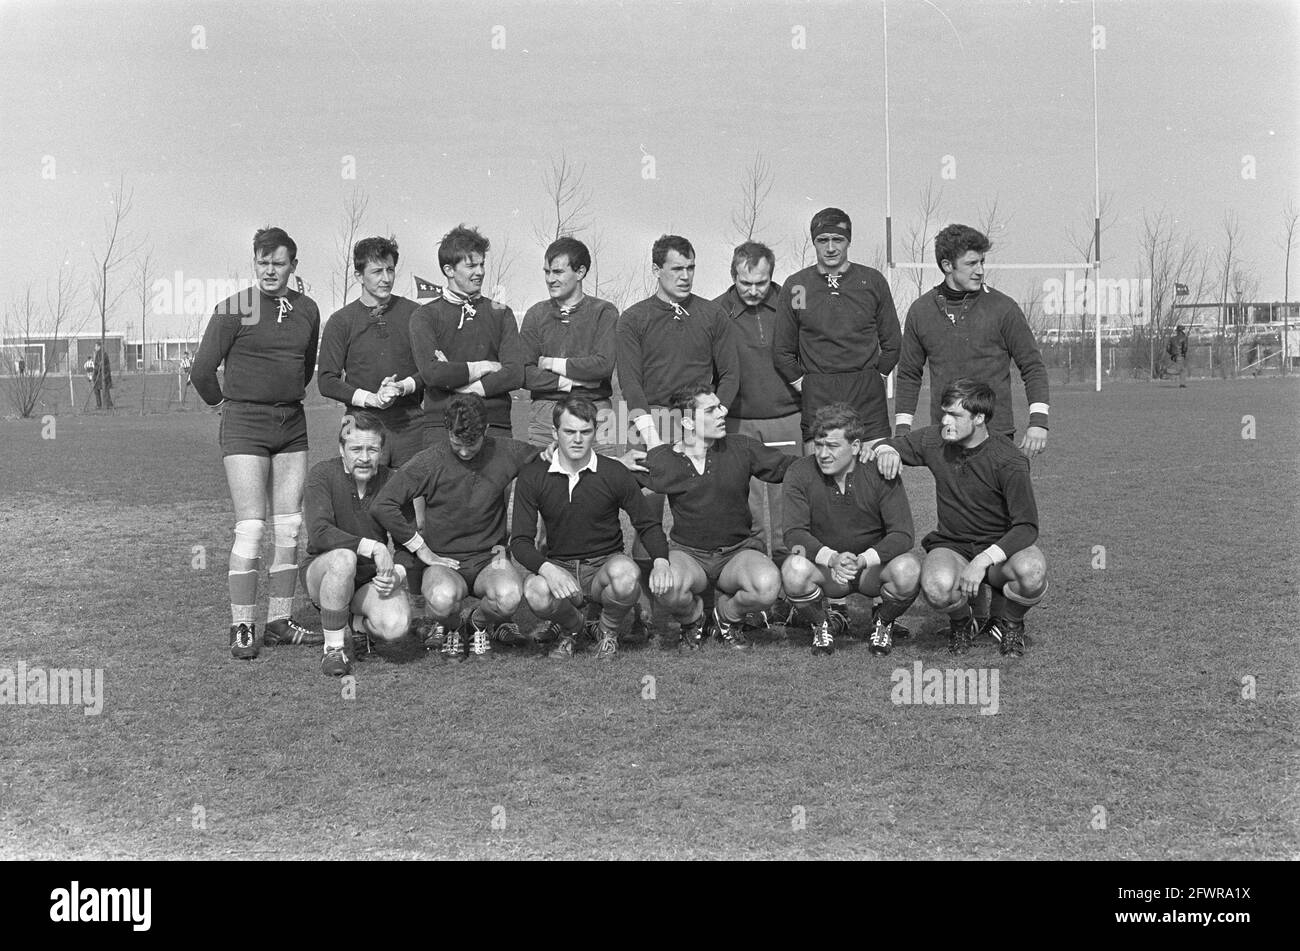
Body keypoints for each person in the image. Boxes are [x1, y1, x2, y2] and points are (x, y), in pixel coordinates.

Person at [191, 227, 323, 660]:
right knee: (251, 528)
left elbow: (304, 369)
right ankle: (243, 626)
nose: (270, 270)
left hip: (291, 424)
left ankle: (280, 621)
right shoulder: (233, 309)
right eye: (262, 262)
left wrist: (282, 395)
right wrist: (221, 405)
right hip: (244, 424)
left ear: (293, 266)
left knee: (289, 526)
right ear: (254, 263)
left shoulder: (308, 310)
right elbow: (202, 371)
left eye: (278, 263)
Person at [873, 378, 1047, 657]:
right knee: (935, 586)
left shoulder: (1009, 459)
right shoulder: (935, 440)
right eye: (944, 412)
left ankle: (1012, 624)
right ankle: (963, 623)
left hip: (1000, 551)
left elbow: (1027, 526)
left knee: (1033, 571)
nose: (945, 420)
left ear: (979, 418)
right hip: (953, 545)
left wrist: (983, 560)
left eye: (955, 414)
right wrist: (886, 451)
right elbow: (889, 443)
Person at [617, 234, 740, 625]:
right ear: (656, 270)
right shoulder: (634, 318)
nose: (685, 276)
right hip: (650, 422)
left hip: (696, 423)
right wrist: (649, 433)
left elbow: (731, 373)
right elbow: (630, 379)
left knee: (706, 509)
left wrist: (713, 414)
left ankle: (710, 604)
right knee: (647, 514)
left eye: (690, 268)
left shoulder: (712, 314)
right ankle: (650, 612)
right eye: (676, 269)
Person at [371, 394, 538, 662]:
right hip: (444, 561)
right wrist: (420, 548)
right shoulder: (429, 460)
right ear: (447, 431)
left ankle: (477, 624)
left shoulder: (507, 451)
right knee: (441, 599)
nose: (463, 451)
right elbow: (384, 504)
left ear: (486, 430)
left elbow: (550, 459)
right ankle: (453, 627)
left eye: (471, 444)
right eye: (456, 442)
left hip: (490, 559)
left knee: (509, 597)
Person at [510, 396, 675, 660]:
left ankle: (606, 631)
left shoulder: (613, 472)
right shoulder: (533, 475)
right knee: (535, 590)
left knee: (626, 573)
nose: (577, 439)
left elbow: (647, 523)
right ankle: (573, 629)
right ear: (555, 433)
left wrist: (661, 561)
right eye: (569, 431)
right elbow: (519, 541)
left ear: (594, 433)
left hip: (603, 567)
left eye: (585, 432)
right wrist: (548, 569)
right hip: (560, 567)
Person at [637, 384, 795, 650]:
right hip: (688, 555)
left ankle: (727, 616)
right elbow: (611, 477)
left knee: (767, 586)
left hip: (737, 553)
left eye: (720, 406)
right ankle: (693, 619)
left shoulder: (741, 447)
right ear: (687, 421)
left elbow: (789, 468)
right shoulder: (665, 459)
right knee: (666, 586)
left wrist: (841, 459)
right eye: (711, 410)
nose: (723, 412)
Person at [894, 224, 1050, 456]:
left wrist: (1038, 422)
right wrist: (902, 429)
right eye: (971, 263)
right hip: (947, 435)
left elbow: (1033, 366)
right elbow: (909, 374)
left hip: (995, 435)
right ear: (947, 265)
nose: (979, 270)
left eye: (982, 262)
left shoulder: (1004, 308)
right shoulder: (921, 311)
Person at [781, 404, 920, 656]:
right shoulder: (799, 472)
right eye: (819, 444)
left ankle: (883, 622)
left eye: (832, 446)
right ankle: (822, 624)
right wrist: (832, 558)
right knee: (793, 568)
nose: (823, 453)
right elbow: (793, 534)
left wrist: (864, 559)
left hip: (871, 570)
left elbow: (904, 534)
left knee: (908, 568)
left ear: (855, 447)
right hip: (828, 571)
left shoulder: (879, 470)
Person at [773, 208, 899, 449]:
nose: (830, 248)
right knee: (820, 476)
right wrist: (806, 385)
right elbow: (782, 350)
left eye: (837, 239)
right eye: (823, 240)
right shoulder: (798, 286)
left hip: (866, 390)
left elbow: (893, 343)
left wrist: (876, 377)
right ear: (814, 243)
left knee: (874, 471)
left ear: (848, 241)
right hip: (819, 391)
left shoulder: (871, 281)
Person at [302, 412, 415, 677]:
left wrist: (397, 574)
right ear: (341, 450)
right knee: (344, 558)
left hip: (367, 579)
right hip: (324, 573)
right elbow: (319, 533)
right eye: (356, 449)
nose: (364, 457)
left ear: (381, 451)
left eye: (372, 449)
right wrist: (372, 547)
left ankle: (357, 623)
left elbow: (408, 543)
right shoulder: (321, 474)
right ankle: (333, 649)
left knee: (395, 625)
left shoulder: (394, 482)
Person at [713, 241, 802, 566]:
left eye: (761, 283)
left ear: (772, 276)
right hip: (737, 422)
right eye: (745, 282)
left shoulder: (793, 306)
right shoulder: (716, 310)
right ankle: (753, 575)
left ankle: (791, 582)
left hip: (787, 417)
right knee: (744, 505)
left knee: (788, 503)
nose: (753, 290)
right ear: (733, 275)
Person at [317, 236, 426, 468]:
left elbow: (430, 369)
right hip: (360, 423)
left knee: (414, 499)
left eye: (390, 270)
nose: (386, 279)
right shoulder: (340, 321)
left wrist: (403, 386)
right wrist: (372, 399)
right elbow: (327, 381)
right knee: (365, 501)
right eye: (377, 272)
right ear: (359, 276)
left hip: (411, 422)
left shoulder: (415, 314)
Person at [409, 225, 523, 442]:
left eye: (482, 265)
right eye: (471, 265)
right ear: (448, 270)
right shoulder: (425, 316)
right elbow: (432, 373)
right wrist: (484, 367)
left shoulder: (501, 313)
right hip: (441, 425)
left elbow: (515, 373)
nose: (480, 272)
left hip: (494, 423)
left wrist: (464, 384)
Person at [512, 236, 620, 453]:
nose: (550, 279)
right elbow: (524, 373)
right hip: (545, 415)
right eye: (547, 272)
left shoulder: (604, 312)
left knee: (601, 482)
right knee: (544, 481)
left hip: (596, 412)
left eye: (558, 272)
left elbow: (602, 365)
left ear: (580, 272)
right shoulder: (536, 314)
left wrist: (551, 363)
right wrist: (571, 382)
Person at [91, 343, 114, 410]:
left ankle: (100, 405)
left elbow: (100, 365)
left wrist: (95, 373)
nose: (94, 347)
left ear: (99, 346)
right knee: (104, 390)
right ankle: (108, 404)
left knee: (100, 390)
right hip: (103, 375)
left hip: (102, 376)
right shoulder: (102, 353)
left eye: (95, 346)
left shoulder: (101, 354)